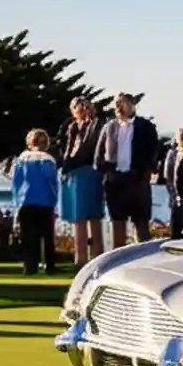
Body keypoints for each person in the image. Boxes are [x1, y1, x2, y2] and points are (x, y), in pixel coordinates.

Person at [95, 93, 159, 249]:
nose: (118, 107)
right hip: (115, 181)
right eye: (116, 104)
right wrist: (106, 172)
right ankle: (118, 258)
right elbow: (99, 153)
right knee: (117, 221)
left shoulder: (145, 126)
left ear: (132, 105)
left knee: (141, 221)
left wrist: (145, 173)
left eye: (122, 103)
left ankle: (144, 256)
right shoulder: (109, 127)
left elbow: (154, 152)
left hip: (137, 180)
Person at [58, 96, 105, 266]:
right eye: (77, 107)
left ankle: (97, 255)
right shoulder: (72, 127)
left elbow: (89, 146)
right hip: (75, 173)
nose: (80, 110)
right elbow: (69, 149)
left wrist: (89, 120)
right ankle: (81, 257)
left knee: (93, 215)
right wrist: (65, 166)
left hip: (90, 171)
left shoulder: (96, 125)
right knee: (79, 218)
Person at [11, 129, 60, 275]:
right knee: (47, 236)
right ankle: (50, 265)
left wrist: (16, 202)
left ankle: (30, 266)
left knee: (29, 236)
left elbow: (16, 183)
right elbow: (52, 181)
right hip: (45, 201)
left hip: (26, 201)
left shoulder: (22, 160)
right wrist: (54, 199)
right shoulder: (48, 160)